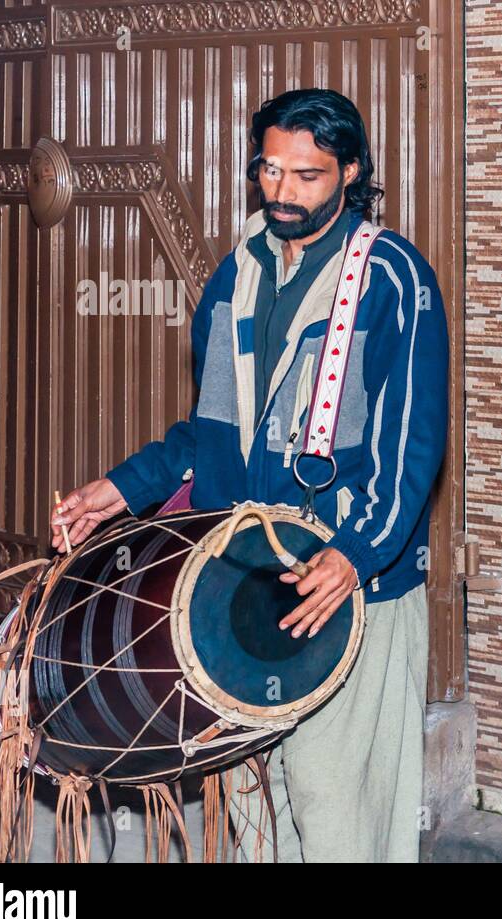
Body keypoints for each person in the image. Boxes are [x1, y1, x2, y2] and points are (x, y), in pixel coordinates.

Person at [51, 88, 448, 862]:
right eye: (270, 171)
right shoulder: (236, 274)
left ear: (352, 173)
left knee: (334, 794)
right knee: (247, 786)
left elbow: (413, 445)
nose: (284, 192)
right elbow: (211, 433)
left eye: (308, 175)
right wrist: (120, 487)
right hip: (242, 574)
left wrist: (354, 555)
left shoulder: (391, 277)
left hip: (348, 575)